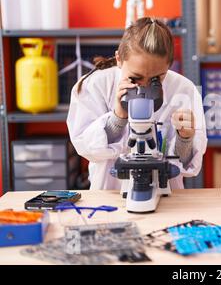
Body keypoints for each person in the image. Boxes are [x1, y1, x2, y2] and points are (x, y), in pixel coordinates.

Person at [67, 17, 207, 190]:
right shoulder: (95, 85)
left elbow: (185, 166)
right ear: (119, 58)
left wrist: (185, 139)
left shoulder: (184, 90)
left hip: (167, 195)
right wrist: (118, 118)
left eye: (156, 79)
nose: (145, 86)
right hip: (110, 192)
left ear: (169, 67)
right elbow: (86, 148)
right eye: (135, 78)